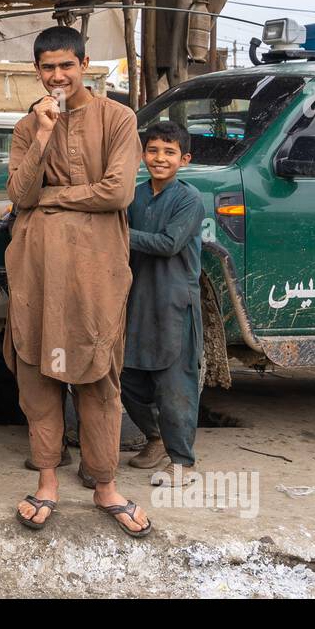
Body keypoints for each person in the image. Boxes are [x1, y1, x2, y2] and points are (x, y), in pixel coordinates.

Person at [5, 26, 151, 537]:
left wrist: (55, 197)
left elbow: (117, 193)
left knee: (98, 371)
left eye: (67, 65)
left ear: (85, 65)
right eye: (48, 67)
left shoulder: (118, 118)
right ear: (38, 71)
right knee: (37, 373)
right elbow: (21, 194)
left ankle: (105, 484)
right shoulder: (28, 127)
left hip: (96, 270)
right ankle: (47, 480)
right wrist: (44, 133)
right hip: (36, 268)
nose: (58, 75)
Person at [120, 120, 205, 487]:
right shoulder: (134, 196)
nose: (159, 158)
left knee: (174, 383)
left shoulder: (189, 199)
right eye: (153, 150)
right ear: (142, 155)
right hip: (137, 300)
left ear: (183, 159)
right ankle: (155, 439)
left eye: (169, 152)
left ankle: (182, 461)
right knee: (127, 377)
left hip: (174, 301)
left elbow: (169, 244)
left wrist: (117, 233)